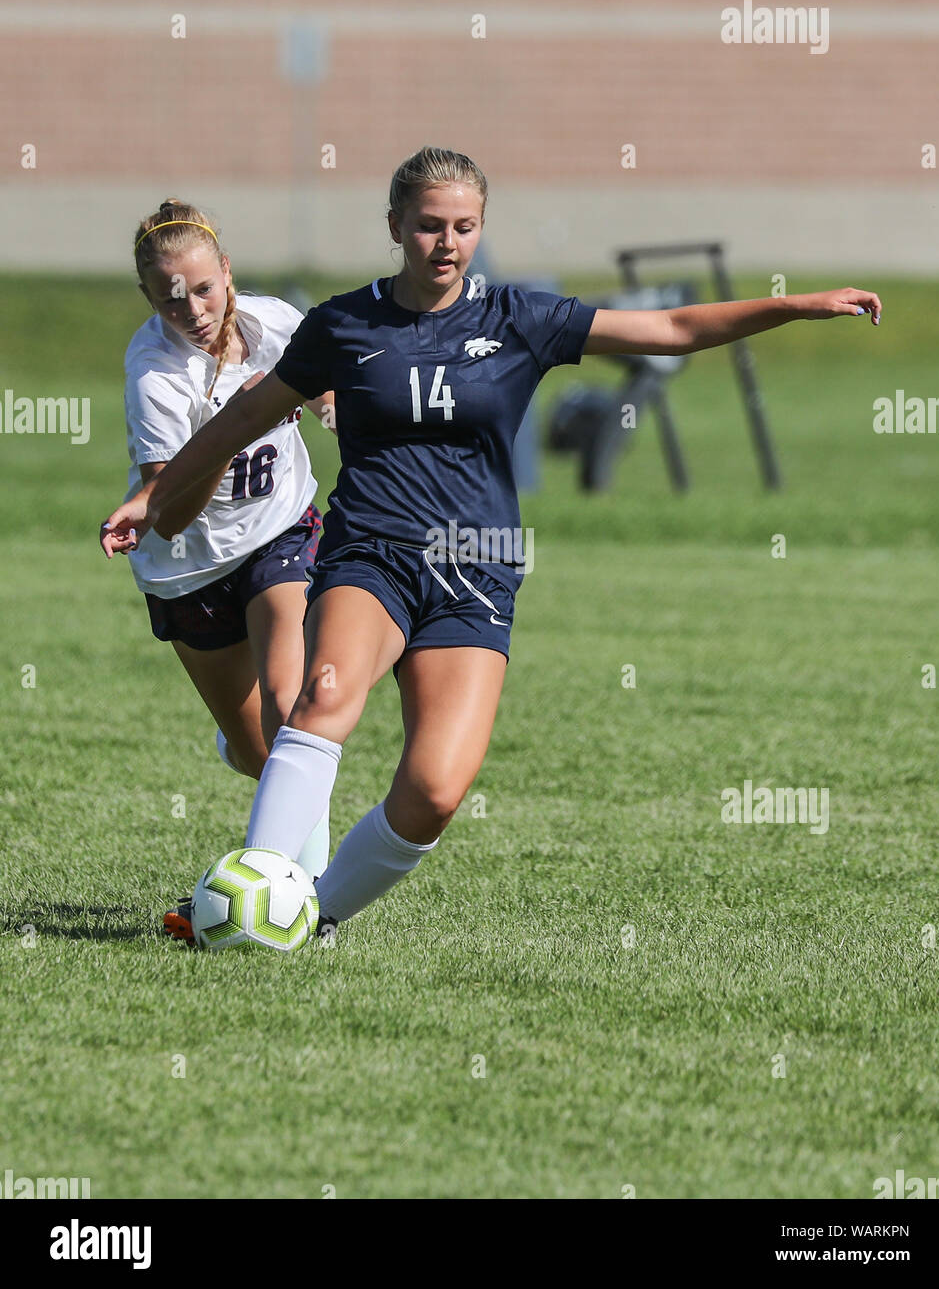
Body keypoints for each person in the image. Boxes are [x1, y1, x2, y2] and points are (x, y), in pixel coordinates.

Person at [100, 149, 882, 945]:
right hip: (370, 551)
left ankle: (315, 914)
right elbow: (238, 422)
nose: (446, 242)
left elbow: (673, 329)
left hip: (477, 564)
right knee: (324, 696)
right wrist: (151, 497)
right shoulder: (342, 324)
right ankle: (258, 890)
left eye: (464, 227)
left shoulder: (519, 317)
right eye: (430, 226)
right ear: (396, 226)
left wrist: (796, 306)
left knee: (435, 791)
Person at [103, 200, 336, 908]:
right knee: (259, 753)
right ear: (150, 302)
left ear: (227, 273)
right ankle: (239, 751)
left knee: (294, 710)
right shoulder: (155, 376)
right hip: (189, 569)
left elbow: (325, 382)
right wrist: (234, 428)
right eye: (171, 300)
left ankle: (309, 901)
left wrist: (332, 404)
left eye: (204, 288)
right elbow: (172, 515)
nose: (194, 310)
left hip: (280, 533)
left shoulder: (276, 325)